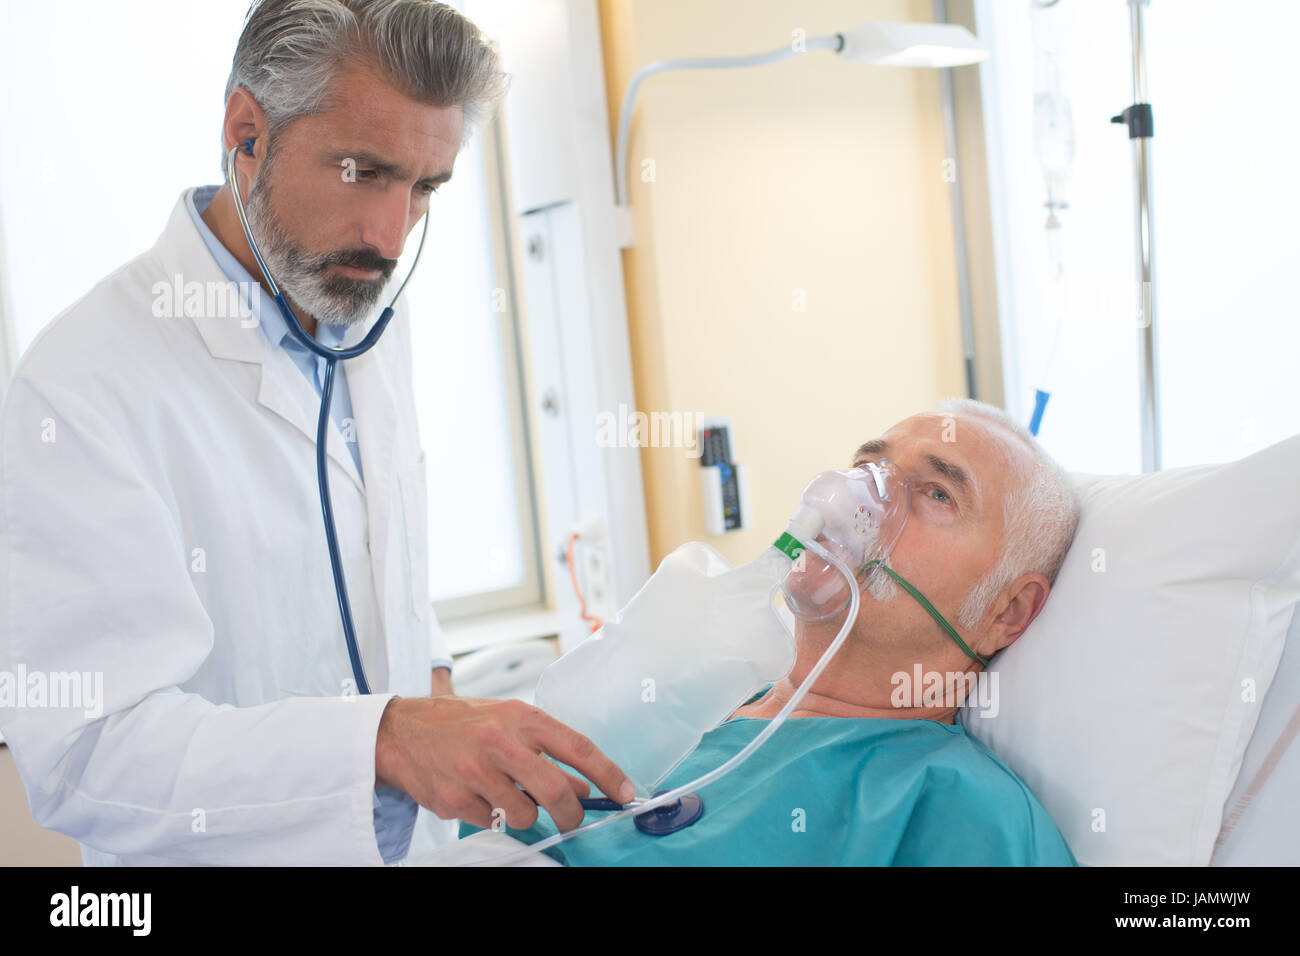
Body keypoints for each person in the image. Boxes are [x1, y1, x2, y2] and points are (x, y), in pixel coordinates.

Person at [0, 0, 632, 866]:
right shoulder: (80, 386)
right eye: (363, 172)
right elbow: (84, 756)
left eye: (424, 188)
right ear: (246, 132)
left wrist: (439, 692)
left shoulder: (363, 312)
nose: (389, 234)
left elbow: (385, 573)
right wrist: (384, 738)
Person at [464, 399, 1080, 865]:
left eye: (937, 493)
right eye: (867, 466)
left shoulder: (952, 809)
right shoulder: (689, 702)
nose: (856, 496)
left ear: (1008, 612)